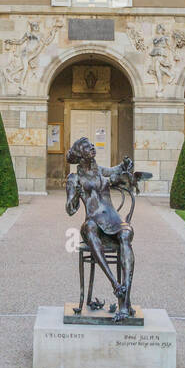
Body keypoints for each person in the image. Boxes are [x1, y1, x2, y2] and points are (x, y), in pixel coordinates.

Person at [65, 136, 136, 321]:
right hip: (93, 222)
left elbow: (117, 170)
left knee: (126, 234)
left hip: (112, 219)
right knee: (89, 228)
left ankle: (125, 301)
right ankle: (115, 284)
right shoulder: (74, 178)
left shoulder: (100, 172)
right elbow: (70, 210)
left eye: (92, 145)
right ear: (81, 155)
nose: (93, 148)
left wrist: (125, 163)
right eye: (88, 147)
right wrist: (75, 196)